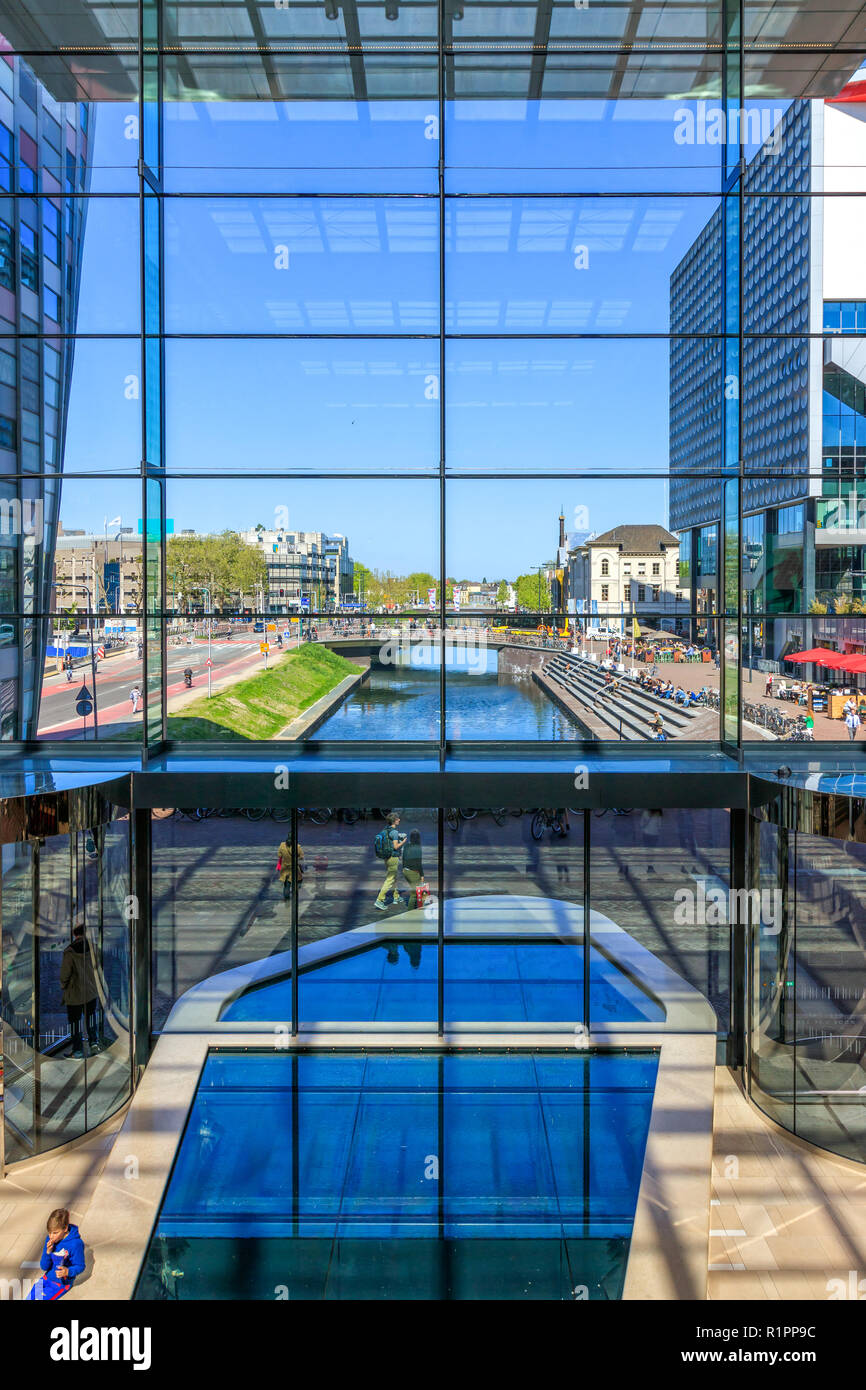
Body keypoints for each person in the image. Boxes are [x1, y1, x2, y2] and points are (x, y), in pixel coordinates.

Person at [60, 923, 99, 1058]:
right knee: (91, 1017)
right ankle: (94, 1044)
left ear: (74, 934)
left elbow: (64, 974)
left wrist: (63, 985)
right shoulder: (93, 947)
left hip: (75, 993)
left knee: (75, 1022)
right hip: (91, 991)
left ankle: (77, 1051)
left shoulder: (69, 951)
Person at [28, 1209, 86, 1300]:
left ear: (65, 1229)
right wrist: (48, 1252)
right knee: (29, 1297)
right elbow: (44, 1267)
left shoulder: (76, 1244)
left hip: (61, 1284)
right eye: (49, 1232)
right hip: (47, 1277)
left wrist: (68, 1271)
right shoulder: (50, 1240)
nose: (51, 1236)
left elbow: (80, 1266)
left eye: (55, 1233)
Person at [374, 812, 407, 911]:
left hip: (387, 857)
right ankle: (379, 900)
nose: (399, 820)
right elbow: (396, 846)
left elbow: (389, 840)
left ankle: (396, 897)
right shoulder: (394, 832)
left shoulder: (386, 830)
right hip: (393, 858)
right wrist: (403, 841)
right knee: (390, 879)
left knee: (394, 877)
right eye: (398, 819)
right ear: (395, 820)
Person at [402, 828, 428, 907]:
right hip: (413, 873)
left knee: (415, 891)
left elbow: (404, 859)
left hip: (405, 871)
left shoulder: (406, 846)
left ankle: (415, 908)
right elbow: (418, 863)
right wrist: (422, 875)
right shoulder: (418, 848)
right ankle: (410, 912)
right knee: (414, 894)